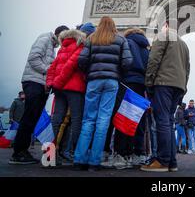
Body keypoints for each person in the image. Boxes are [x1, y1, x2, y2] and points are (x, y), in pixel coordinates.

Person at [73, 16, 133, 171]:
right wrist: (118, 73)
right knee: (103, 120)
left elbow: (81, 60)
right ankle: (94, 161)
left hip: (94, 81)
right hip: (112, 82)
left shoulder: (92, 38)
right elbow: (127, 61)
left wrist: (90, 72)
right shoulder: (120, 39)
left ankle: (79, 159)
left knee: (88, 120)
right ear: (113, 25)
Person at [9, 25, 69, 165]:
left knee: (33, 117)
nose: (64, 42)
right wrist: (50, 71)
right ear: (59, 34)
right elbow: (33, 58)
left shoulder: (52, 46)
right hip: (33, 82)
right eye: (64, 38)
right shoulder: (44, 39)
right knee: (29, 117)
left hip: (39, 83)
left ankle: (22, 151)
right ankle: (18, 153)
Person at [141, 21, 190, 172]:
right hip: (178, 86)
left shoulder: (163, 35)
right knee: (168, 122)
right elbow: (187, 68)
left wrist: (148, 82)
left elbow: (153, 60)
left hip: (163, 83)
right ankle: (171, 162)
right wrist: (183, 87)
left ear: (166, 25)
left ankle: (162, 161)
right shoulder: (183, 43)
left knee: (162, 121)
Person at [101, 28, 150, 170]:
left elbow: (123, 61)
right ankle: (136, 154)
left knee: (124, 120)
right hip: (141, 85)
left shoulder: (126, 42)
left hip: (126, 83)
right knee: (137, 120)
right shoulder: (146, 48)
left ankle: (121, 155)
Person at [46, 29, 87, 165]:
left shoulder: (62, 48)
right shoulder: (80, 46)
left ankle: (49, 156)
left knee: (56, 119)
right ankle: (75, 154)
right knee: (76, 120)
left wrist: (50, 83)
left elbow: (52, 68)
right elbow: (70, 66)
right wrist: (58, 82)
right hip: (74, 88)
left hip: (59, 88)